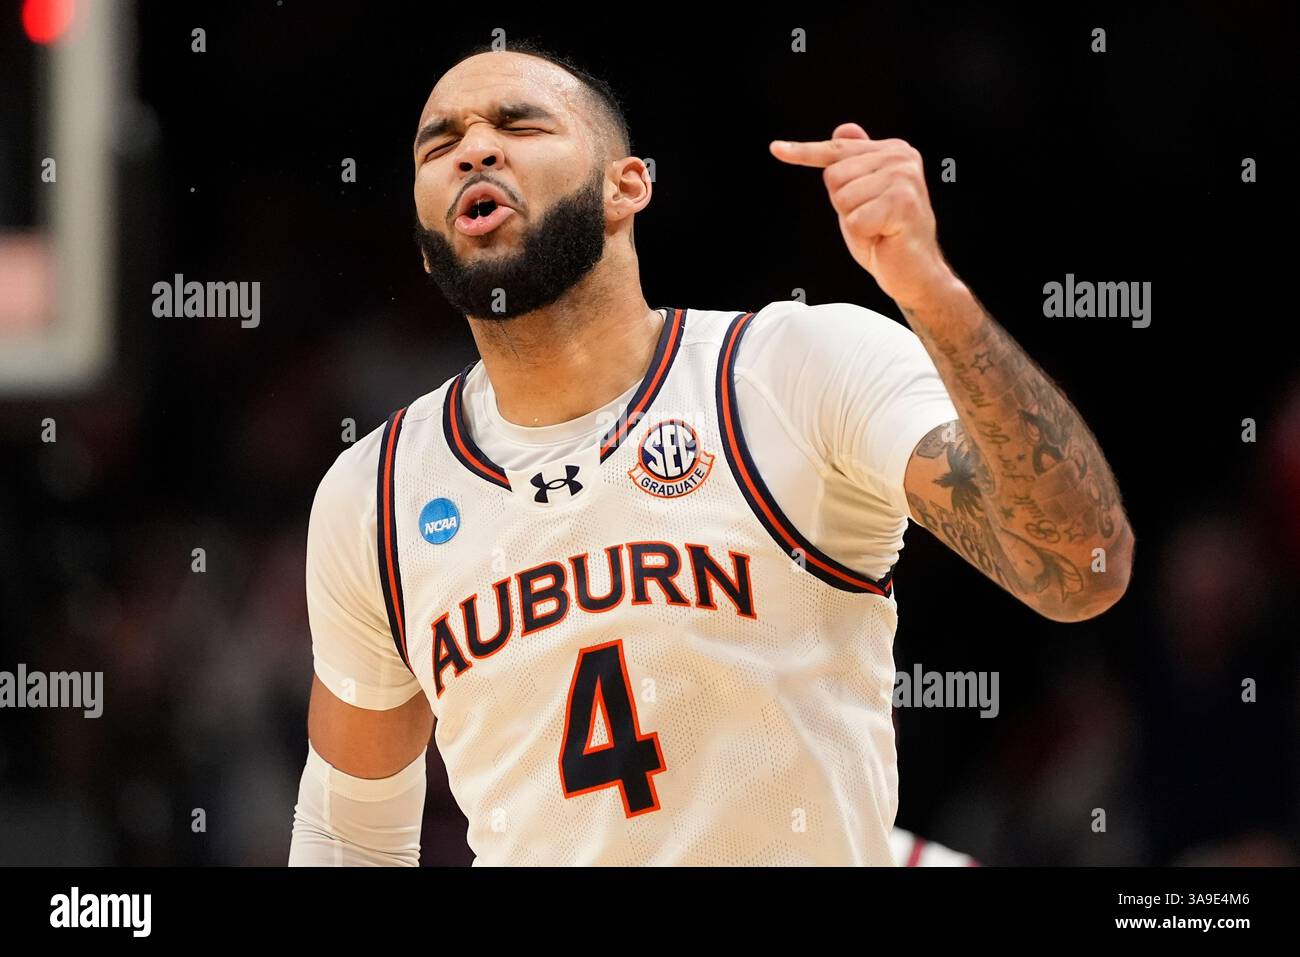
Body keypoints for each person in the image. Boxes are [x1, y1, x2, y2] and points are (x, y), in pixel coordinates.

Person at [289, 40, 1134, 866]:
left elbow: (1079, 567)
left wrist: (932, 293)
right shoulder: (375, 491)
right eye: (441, 144)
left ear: (629, 186)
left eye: (521, 126)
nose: (474, 149)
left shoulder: (793, 369)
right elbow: (350, 838)